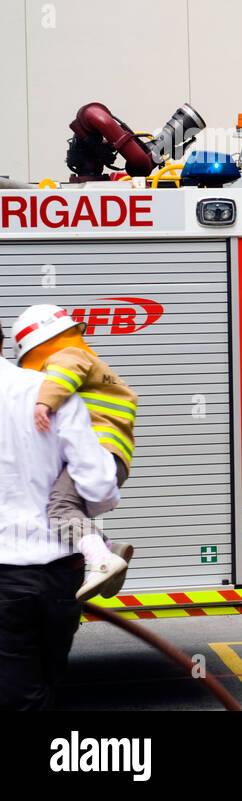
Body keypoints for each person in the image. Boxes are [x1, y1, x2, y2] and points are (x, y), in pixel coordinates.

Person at [0, 320, 119, 710]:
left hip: (5, 578)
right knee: (47, 679)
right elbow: (99, 486)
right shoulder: (51, 392)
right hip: (59, 573)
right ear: (2, 344)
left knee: (20, 693)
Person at [12, 304, 137, 600]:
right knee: (68, 509)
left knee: (60, 509)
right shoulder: (89, 361)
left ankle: (102, 560)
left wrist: (45, 403)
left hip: (102, 451)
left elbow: (62, 373)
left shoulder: (69, 355)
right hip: (112, 454)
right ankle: (107, 548)